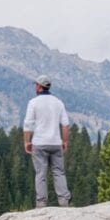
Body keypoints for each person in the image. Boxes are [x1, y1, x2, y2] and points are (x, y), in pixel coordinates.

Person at [23, 75, 71, 208]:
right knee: (59, 172)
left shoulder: (33, 103)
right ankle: (63, 201)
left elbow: (28, 125)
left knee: (41, 174)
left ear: (39, 86)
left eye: (35, 85)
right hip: (56, 143)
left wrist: (26, 142)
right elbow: (65, 125)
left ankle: (41, 203)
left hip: (39, 143)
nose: (35, 87)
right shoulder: (58, 102)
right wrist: (65, 141)